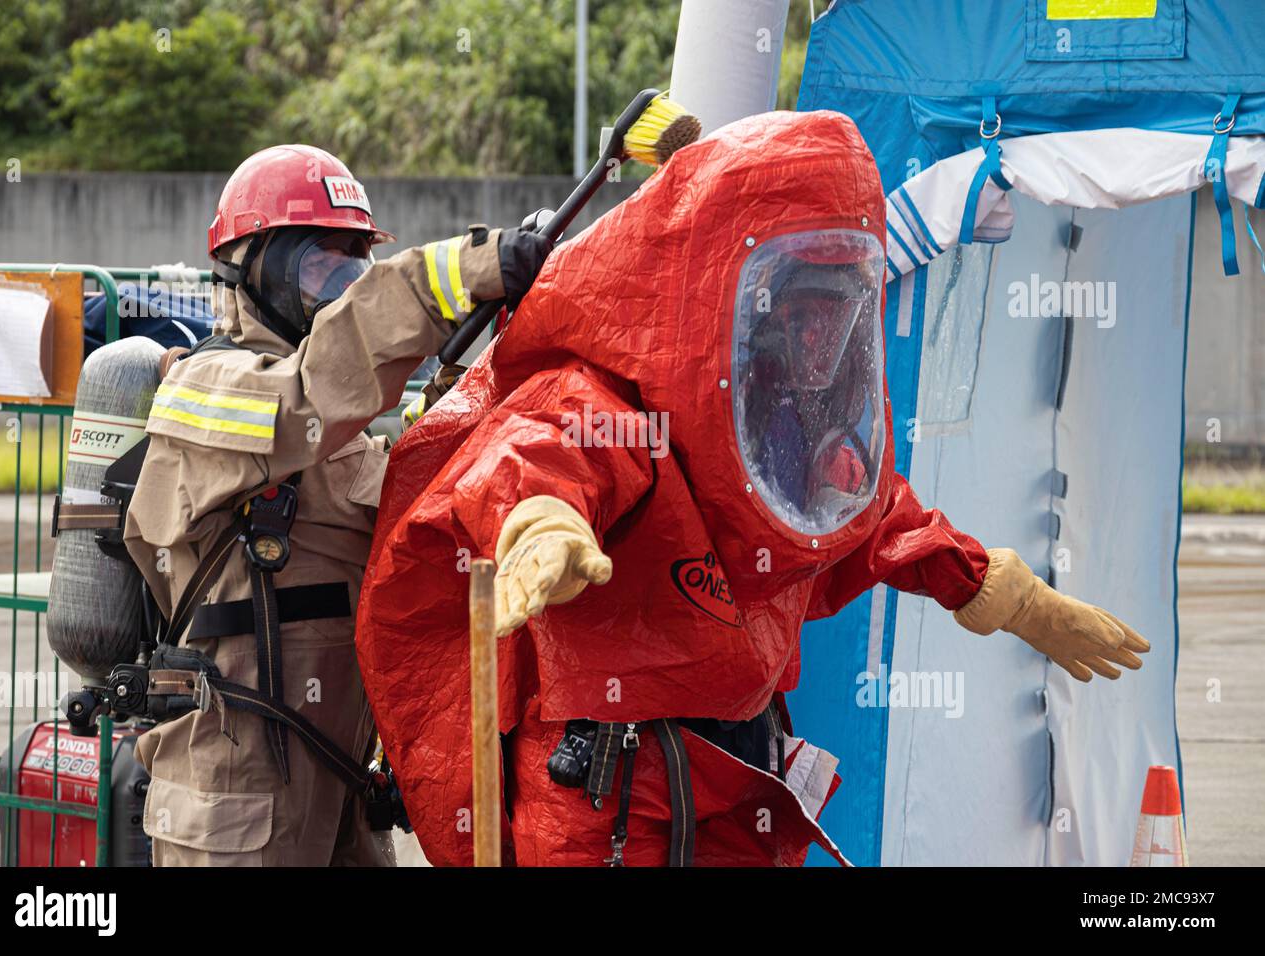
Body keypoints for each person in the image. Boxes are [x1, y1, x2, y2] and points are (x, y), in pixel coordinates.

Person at [354, 111, 1149, 866]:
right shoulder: (625, 391)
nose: (821, 337)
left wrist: (1000, 592)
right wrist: (540, 524)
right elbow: (544, 446)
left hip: (741, 752)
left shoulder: (789, 425)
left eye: (839, 306)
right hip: (609, 775)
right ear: (732, 295)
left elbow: (875, 515)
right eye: (800, 303)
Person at [122, 143, 549, 865]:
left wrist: (464, 393)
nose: (339, 291)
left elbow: (409, 512)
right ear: (248, 268)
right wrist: (460, 274)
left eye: (351, 270)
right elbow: (305, 397)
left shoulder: (334, 435)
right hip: (233, 813)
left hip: (343, 796)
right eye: (319, 268)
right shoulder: (207, 390)